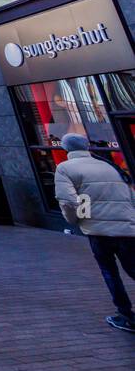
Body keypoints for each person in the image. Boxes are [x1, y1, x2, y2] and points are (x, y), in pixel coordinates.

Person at [53, 133, 135, 334]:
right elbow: (129, 195)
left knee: (110, 272)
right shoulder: (108, 165)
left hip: (98, 230)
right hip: (127, 228)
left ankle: (125, 314)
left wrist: (78, 219)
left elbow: (69, 201)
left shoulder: (65, 168)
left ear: (66, 149)